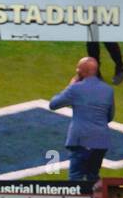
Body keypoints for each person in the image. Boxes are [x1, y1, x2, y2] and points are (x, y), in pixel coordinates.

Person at [48, 56, 115, 187]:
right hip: (101, 141)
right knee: (93, 177)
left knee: (75, 178)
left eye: (78, 68)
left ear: (82, 72)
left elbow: (53, 104)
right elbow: (110, 116)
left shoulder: (75, 89)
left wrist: (70, 86)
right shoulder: (108, 90)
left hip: (81, 140)